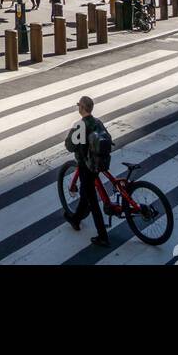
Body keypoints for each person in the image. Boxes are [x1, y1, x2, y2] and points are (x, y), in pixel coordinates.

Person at [63, 95, 111, 248]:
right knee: (85, 194)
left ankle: (103, 236)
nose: (78, 108)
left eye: (79, 106)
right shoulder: (98, 122)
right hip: (99, 163)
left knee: (91, 199)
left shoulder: (80, 125)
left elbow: (69, 145)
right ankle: (76, 219)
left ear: (82, 108)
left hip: (86, 166)